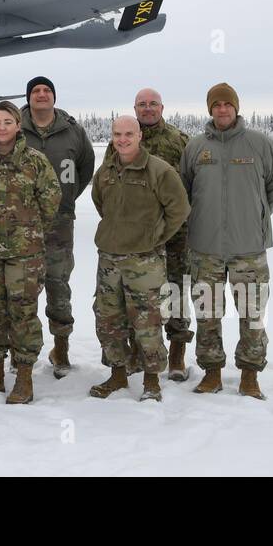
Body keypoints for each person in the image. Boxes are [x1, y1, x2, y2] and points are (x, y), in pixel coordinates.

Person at [180, 82, 273, 400]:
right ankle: (211, 373)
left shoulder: (259, 144)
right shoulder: (197, 147)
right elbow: (184, 189)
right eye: (216, 105)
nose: (222, 109)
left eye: (228, 104)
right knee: (207, 314)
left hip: (248, 249)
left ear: (236, 108)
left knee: (252, 314)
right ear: (210, 109)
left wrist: (256, 215)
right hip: (205, 248)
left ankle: (250, 375)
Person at [0, 101, 61, 404]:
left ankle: (24, 377)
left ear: (18, 126)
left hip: (24, 254)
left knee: (23, 313)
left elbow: (51, 200)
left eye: (8, 122)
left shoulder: (35, 162)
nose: (2, 127)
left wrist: (28, 230)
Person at [89, 116, 190, 402]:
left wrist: (155, 237)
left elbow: (179, 209)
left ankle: (151, 380)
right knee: (109, 318)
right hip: (109, 258)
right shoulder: (106, 171)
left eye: (128, 134)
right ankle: (118, 374)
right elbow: (100, 202)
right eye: (117, 134)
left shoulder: (159, 170)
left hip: (144, 262)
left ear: (139, 136)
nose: (122, 139)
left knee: (148, 321)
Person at [20, 75, 95, 377]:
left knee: (58, 284)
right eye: (35, 91)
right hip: (20, 224)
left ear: (54, 97)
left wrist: (64, 201)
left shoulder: (73, 131)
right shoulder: (15, 127)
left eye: (46, 90)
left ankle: (60, 347)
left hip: (60, 223)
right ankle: (21, 350)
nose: (41, 95)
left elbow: (86, 168)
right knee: (22, 287)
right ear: (28, 98)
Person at [131, 87, 193, 381]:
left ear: (162, 108)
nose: (147, 109)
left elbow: (194, 185)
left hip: (176, 232)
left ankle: (178, 351)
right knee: (138, 291)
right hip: (137, 233)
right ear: (135, 109)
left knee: (176, 289)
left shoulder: (179, 141)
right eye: (142, 104)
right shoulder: (127, 140)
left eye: (152, 104)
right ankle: (139, 349)